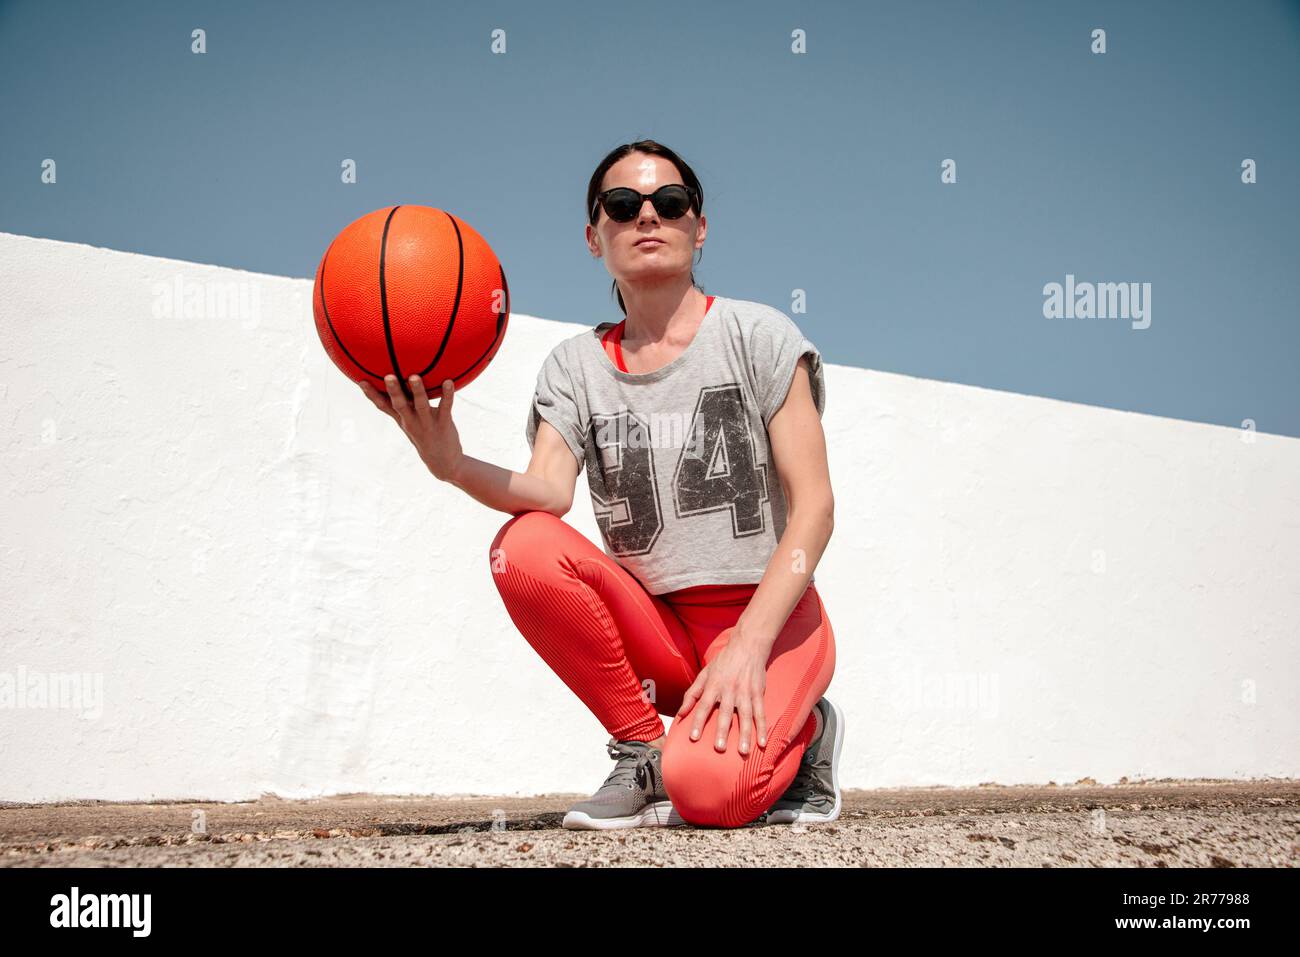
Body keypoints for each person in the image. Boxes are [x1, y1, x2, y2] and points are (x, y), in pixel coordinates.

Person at [358, 139, 842, 830]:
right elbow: (547, 494)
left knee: (707, 795)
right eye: (622, 205)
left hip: (773, 622)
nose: (647, 216)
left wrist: (750, 641)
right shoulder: (575, 365)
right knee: (522, 544)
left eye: (669, 203)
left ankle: (810, 733)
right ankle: (644, 748)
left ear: (698, 227)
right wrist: (451, 463)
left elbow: (816, 506)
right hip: (664, 635)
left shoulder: (758, 334)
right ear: (595, 236)